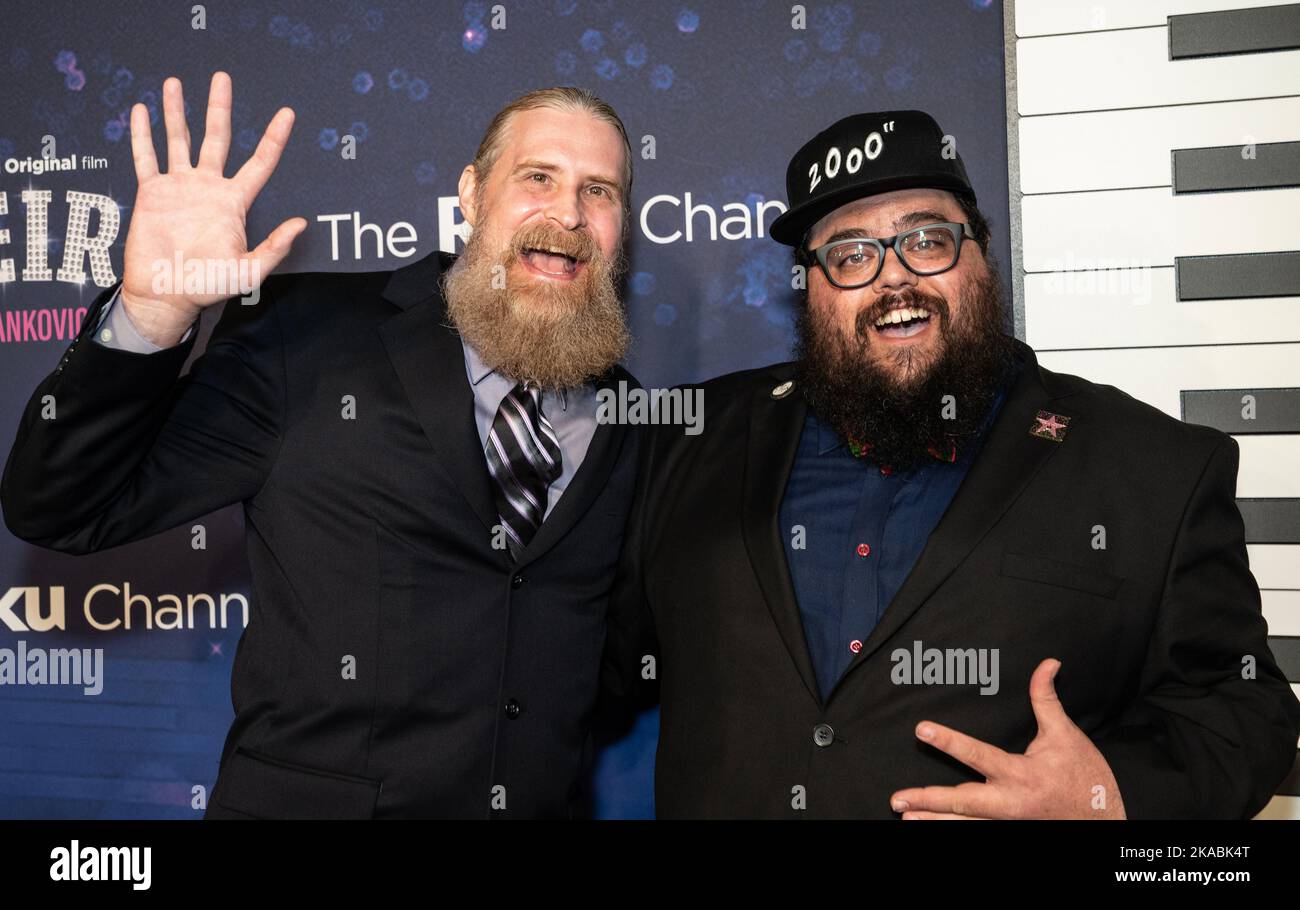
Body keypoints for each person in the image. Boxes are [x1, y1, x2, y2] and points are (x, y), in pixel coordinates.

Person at [604, 109, 1300, 819]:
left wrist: (1109, 796)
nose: (893, 279)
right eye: (849, 255)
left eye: (927, 240)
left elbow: (1243, 708)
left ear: (982, 254)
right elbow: (579, 654)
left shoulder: (1153, 469)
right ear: (808, 287)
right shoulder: (685, 438)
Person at [2, 73, 642, 819]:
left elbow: (609, 654)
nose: (567, 212)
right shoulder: (306, 335)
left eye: (600, 191)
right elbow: (62, 506)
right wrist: (151, 312)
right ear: (471, 194)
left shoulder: (626, 410)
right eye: (539, 177)